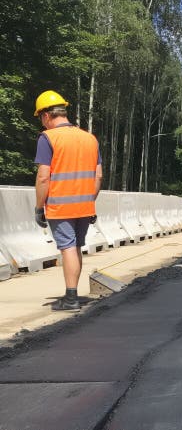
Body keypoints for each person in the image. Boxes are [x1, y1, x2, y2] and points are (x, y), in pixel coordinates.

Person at [33, 90, 102, 311]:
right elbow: (98, 176)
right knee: (76, 247)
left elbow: (44, 176)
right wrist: (90, 200)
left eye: (40, 118)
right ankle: (72, 293)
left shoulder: (48, 138)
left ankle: (71, 299)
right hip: (85, 205)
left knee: (68, 248)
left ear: (46, 115)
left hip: (60, 206)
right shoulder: (89, 138)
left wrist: (38, 207)